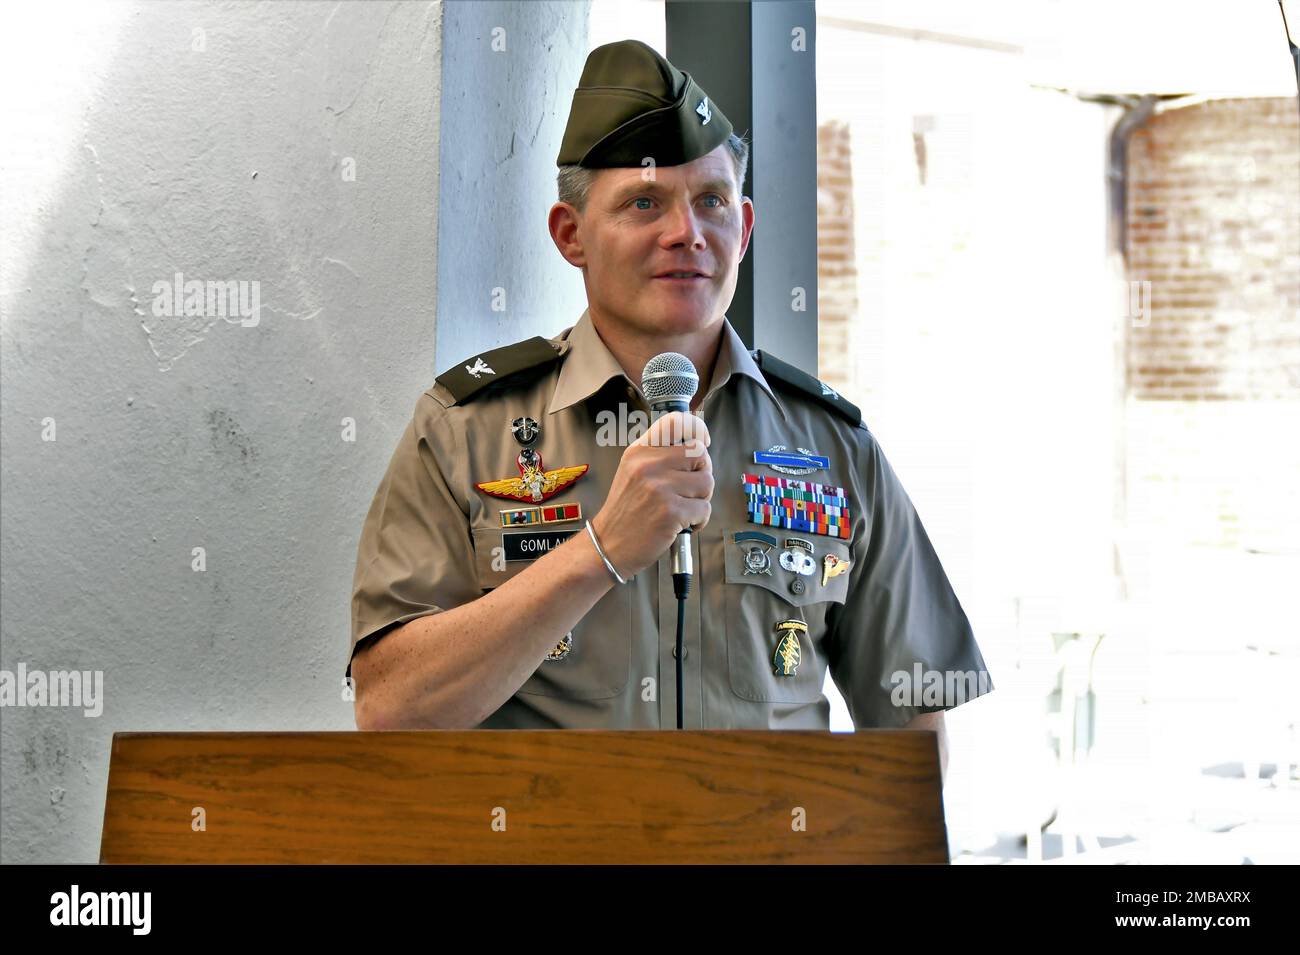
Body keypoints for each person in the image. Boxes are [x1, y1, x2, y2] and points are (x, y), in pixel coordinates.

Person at [347, 40, 992, 777]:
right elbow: (392, 708)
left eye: (711, 201)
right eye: (645, 202)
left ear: (744, 229)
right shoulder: (466, 430)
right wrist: (600, 552)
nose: (686, 231)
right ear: (571, 235)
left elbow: (915, 711)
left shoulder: (831, 444)